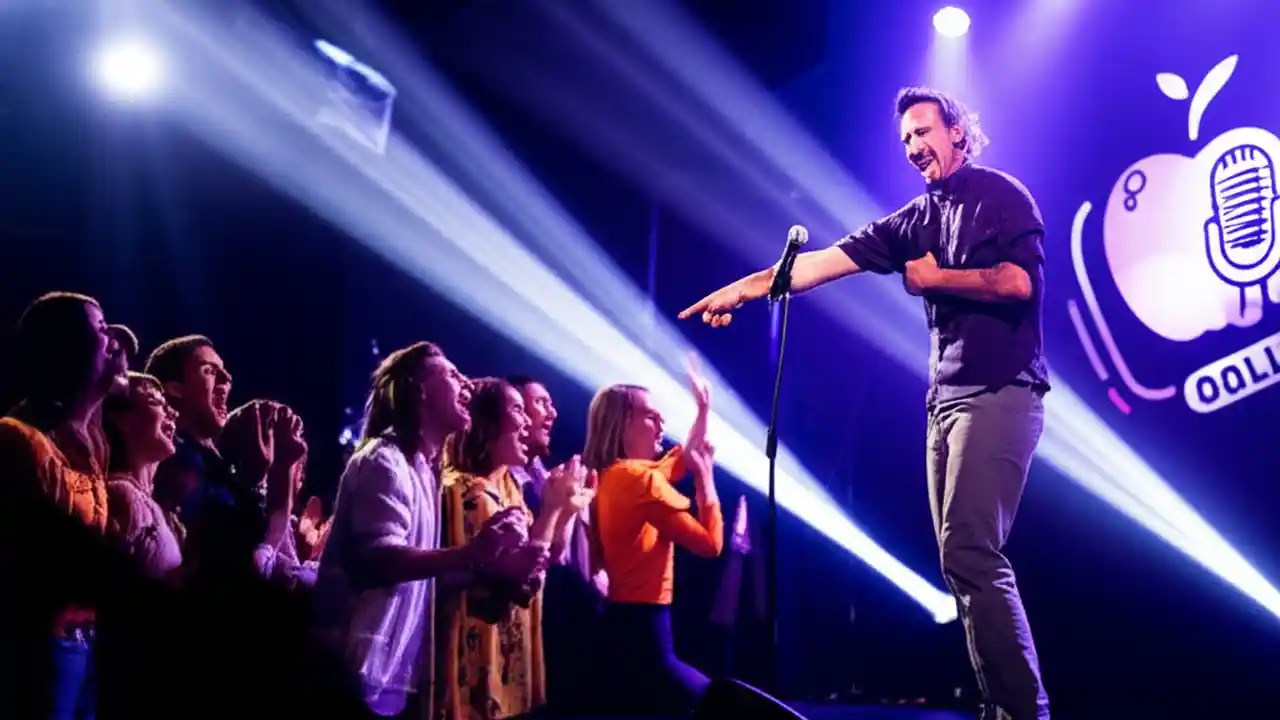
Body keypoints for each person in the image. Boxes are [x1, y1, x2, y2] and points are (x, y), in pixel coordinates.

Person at [679, 86, 1051, 720]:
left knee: (970, 551)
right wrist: (740, 290)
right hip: (944, 401)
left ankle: (1023, 711)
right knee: (958, 562)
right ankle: (1000, 706)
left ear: (957, 130)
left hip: (1001, 390)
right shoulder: (913, 220)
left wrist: (936, 280)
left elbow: (1019, 283)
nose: (913, 147)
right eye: (905, 139)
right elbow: (821, 264)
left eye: (923, 132)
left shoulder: (1001, 194)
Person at [312, 342, 526, 719]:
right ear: (419, 389)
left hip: (390, 676)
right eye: (452, 375)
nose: (468, 386)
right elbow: (380, 561)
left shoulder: (423, 470)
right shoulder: (384, 459)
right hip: (356, 669)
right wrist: (473, 552)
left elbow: (428, 577)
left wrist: (496, 568)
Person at [0, 292, 129, 719]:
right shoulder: (18, 440)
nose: (114, 338)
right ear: (65, 346)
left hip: (84, 641)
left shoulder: (95, 449)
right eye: (100, 327)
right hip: (39, 645)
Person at [439, 377, 593, 720]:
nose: (527, 422)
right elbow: (519, 581)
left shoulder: (506, 488)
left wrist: (564, 511)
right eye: (518, 410)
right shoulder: (469, 494)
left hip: (507, 664)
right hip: (478, 668)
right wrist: (553, 509)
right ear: (487, 422)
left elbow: (544, 560)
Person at [585, 368, 722, 717]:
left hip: (619, 624)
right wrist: (706, 478)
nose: (661, 423)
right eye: (651, 415)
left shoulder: (617, 475)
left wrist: (703, 410)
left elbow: (681, 458)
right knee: (714, 705)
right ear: (622, 423)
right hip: (645, 631)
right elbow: (711, 544)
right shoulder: (639, 481)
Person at [507, 376, 605, 717]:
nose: (553, 413)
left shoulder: (541, 472)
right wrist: (559, 509)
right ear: (513, 412)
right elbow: (530, 558)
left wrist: (573, 509)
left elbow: (556, 554)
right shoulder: (502, 478)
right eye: (540, 404)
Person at [102, 372, 184, 582]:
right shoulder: (121, 496)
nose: (173, 413)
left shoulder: (155, 507)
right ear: (123, 421)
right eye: (156, 402)